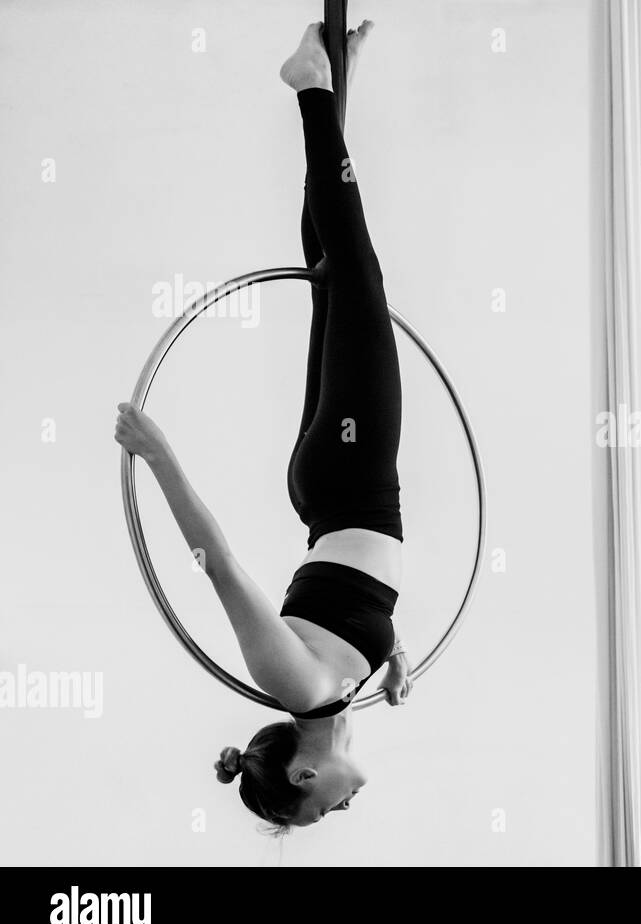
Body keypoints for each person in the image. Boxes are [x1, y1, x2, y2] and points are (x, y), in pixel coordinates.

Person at [114, 20, 410, 831]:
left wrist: (157, 452)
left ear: (303, 771)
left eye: (322, 808)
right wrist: (396, 655)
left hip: (349, 481)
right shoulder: (339, 690)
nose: (344, 805)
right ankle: (329, 90)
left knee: (355, 277)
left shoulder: (298, 687)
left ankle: (314, 87)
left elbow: (221, 568)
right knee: (333, 280)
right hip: (334, 490)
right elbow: (355, 612)